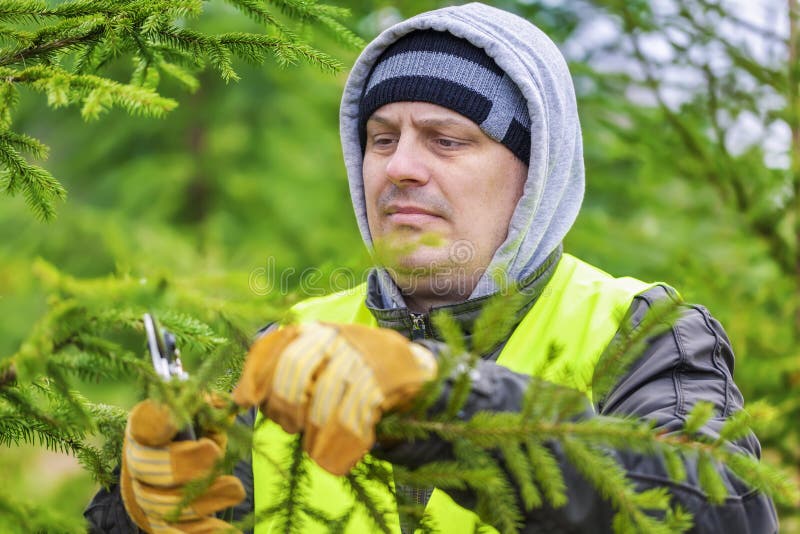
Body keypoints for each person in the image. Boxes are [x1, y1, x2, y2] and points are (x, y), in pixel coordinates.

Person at [85, 3, 779, 533]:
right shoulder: (287, 343)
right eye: (381, 138)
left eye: (447, 140)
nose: (400, 167)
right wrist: (135, 507)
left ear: (533, 175)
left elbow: (716, 507)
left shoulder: (641, 332)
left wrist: (442, 399)